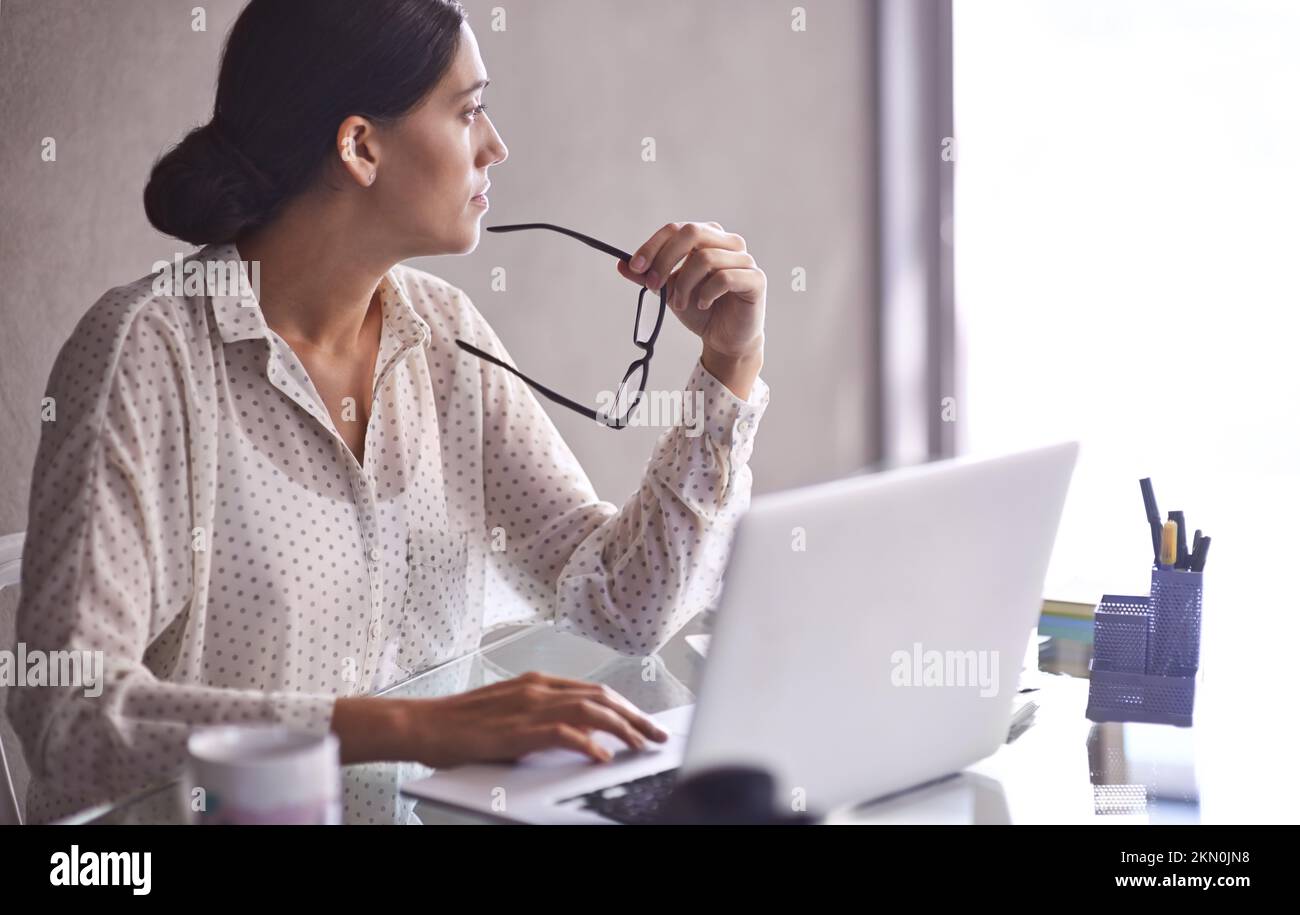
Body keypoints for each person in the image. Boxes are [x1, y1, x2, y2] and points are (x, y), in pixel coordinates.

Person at [11, 0, 769, 824]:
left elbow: (622, 603)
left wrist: (728, 364)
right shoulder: (145, 355)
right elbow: (67, 714)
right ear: (360, 146)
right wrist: (412, 726)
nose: (495, 146)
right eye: (469, 110)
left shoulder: (443, 334)